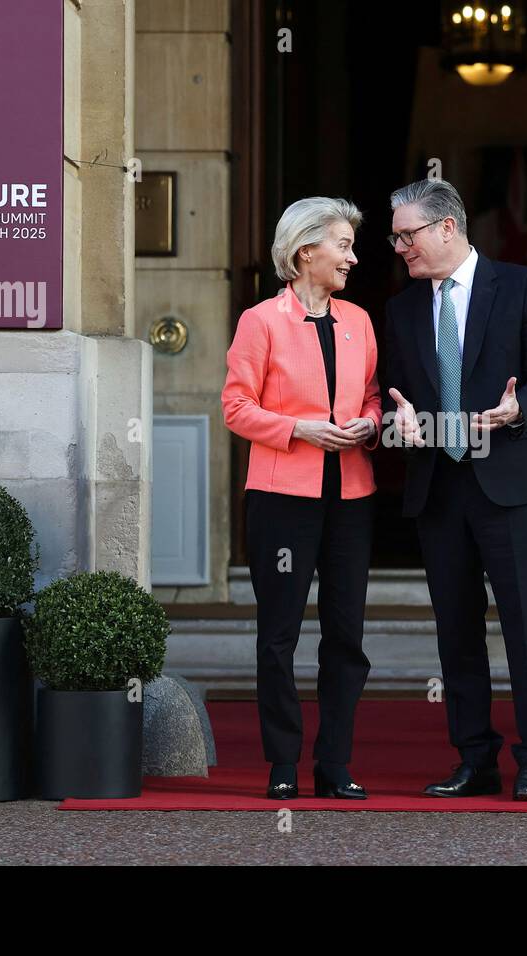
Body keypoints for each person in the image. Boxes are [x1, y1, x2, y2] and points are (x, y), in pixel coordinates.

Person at [383, 178, 527, 801]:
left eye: (406, 235)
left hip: (514, 482)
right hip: (440, 487)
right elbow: (394, 400)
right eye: (395, 236)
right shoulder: (402, 308)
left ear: (447, 227)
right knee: (456, 632)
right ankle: (475, 759)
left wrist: (518, 412)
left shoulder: (521, 285)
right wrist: (397, 424)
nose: (399, 247)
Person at [221, 197, 381, 800]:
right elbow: (236, 406)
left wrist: (368, 423)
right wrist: (298, 429)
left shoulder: (359, 321)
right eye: (343, 244)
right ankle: (282, 761)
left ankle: (334, 764)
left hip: (351, 496)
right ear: (304, 250)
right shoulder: (260, 321)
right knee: (279, 634)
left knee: (346, 635)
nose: (352, 256)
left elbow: (369, 395)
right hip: (282, 496)